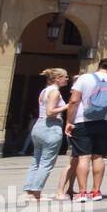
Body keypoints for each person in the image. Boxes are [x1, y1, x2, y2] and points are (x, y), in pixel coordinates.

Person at [64, 58, 107, 202]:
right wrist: (106, 107)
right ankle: (96, 191)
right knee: (98, 157)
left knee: (83, 157)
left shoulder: (84, 78)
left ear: (99, 65)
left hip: (82, 121)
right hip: (103, 121)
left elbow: (73, 101)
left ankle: (82, 193)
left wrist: (69, 121)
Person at [23, 68, 69, 201]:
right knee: (47, 162)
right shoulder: (55, 92)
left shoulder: (44, 91)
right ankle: (37, 192)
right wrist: (67, 106)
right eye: (65, 77)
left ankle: (29, 190)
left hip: (39, 125)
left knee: (36, 160)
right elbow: (50, 112)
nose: (67, 79)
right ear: (57, 79)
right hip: (51, 127)